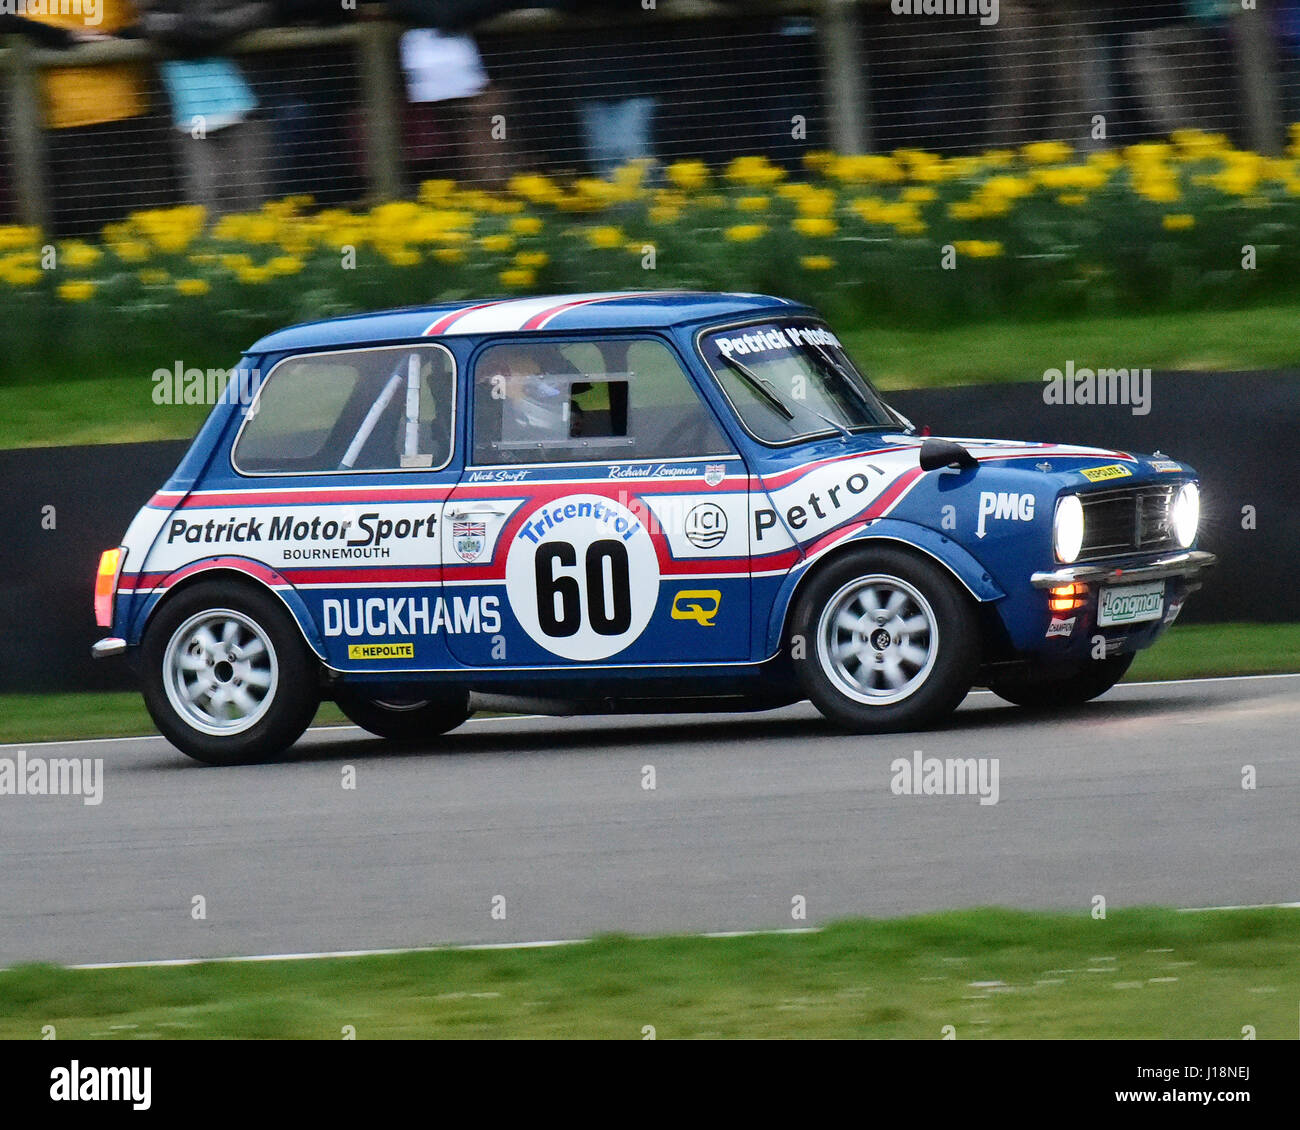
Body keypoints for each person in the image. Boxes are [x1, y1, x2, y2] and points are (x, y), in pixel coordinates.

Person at [24, 0, 157, 236]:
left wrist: (116, 37)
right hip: (67, 112)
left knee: (120, 211)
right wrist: (66, 36)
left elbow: (154, 18)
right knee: (89, 211)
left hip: (120, 104)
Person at [138, 2, 272, 219]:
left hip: (246, 103)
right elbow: (151, 21)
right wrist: (188, 29)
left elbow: (257, 10)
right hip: (185, 111)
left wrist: (204, 28)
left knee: (249, 193)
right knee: (203, 193)